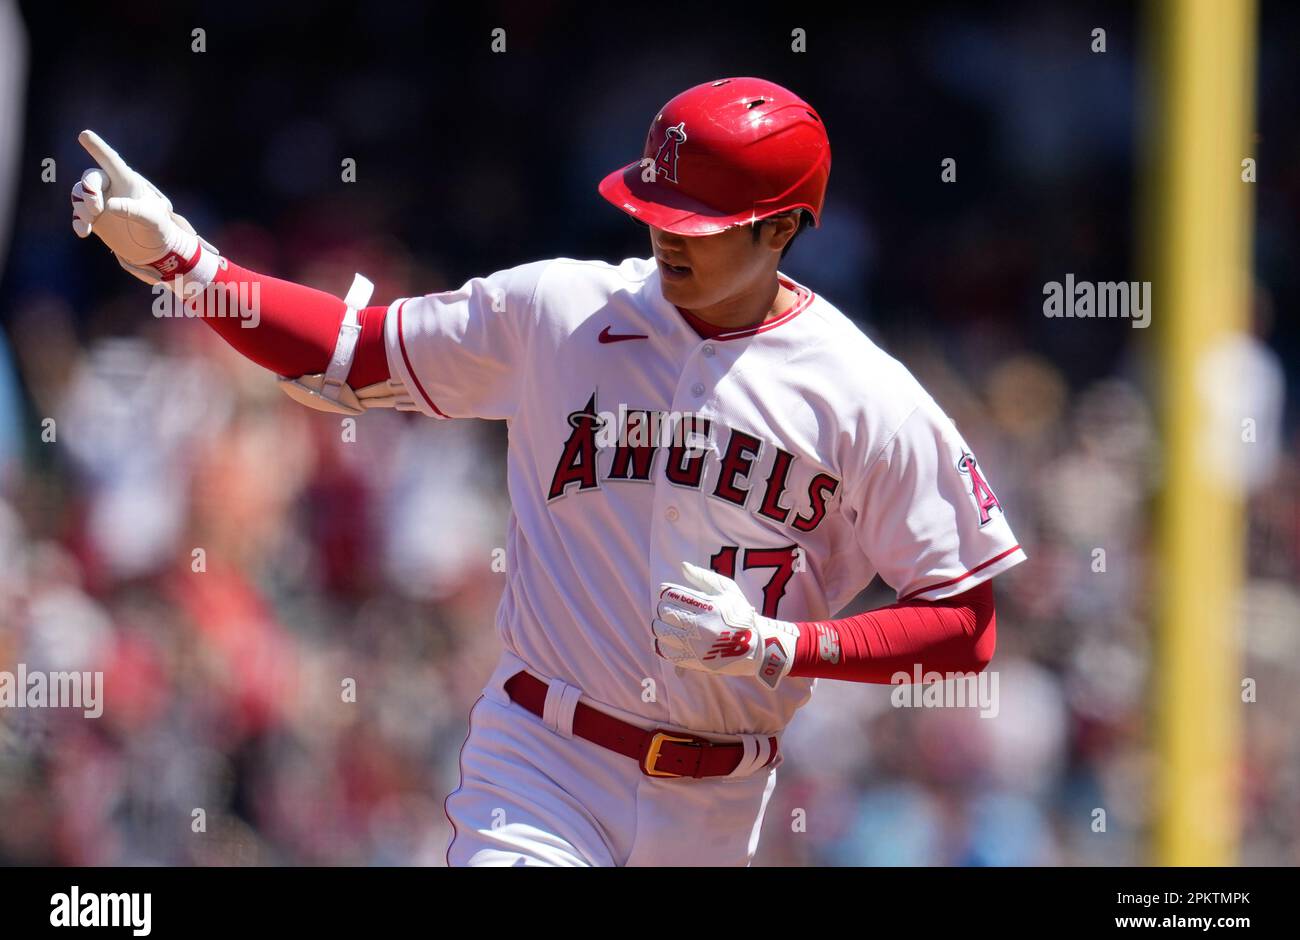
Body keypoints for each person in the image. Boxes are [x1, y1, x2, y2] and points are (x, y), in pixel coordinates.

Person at [71, 76, 1026, 867]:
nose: (666, 233)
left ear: (781, 229)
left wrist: (783, 646)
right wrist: (183, 261)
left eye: (698, 219)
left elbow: (965, 626)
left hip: (719, 801)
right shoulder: (558, 313)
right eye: (658, 207)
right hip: (541, 761)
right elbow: (354, 353)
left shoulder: (867, 396)